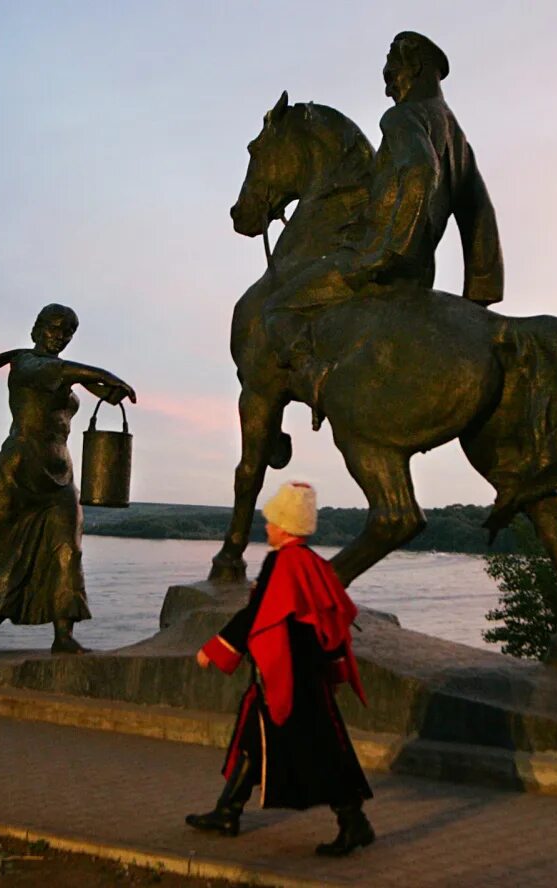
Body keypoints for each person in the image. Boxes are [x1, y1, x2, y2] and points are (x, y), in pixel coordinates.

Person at [266, 31, 505, 426]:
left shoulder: (403, 117)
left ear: (417, 67)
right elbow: (479, 212)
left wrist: (388, 248)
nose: (387, 83)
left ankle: (316, 382)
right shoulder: (457, 137)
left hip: (380, 263)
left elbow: (419, 167)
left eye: (392, 71)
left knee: (278, 307)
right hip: (419, 277)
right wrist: (479, 295)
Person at [0, 303, 136, 656]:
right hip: (18, 470)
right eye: (53, 328)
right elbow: (64, 371)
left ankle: (64, 635)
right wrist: (105, 375)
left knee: (68, 549)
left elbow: (73, 378)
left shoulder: (61, 374)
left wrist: (106, 391)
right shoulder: (24, 364)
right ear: (36, 330)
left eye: (67, 332)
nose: (60, 337)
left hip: (59, 473)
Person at [186, 481, 374, 857]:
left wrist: (216, 648)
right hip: (310, 676)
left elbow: (258, 616)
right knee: (259, 742)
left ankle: (353, 822)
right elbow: (333, 618)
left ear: (285, 526)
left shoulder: (282, 563)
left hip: (286, 678)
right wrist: (334, 670)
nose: (267, 528)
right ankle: (228, 811)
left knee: (316, 749)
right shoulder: (313, 563)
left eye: (272, 522)